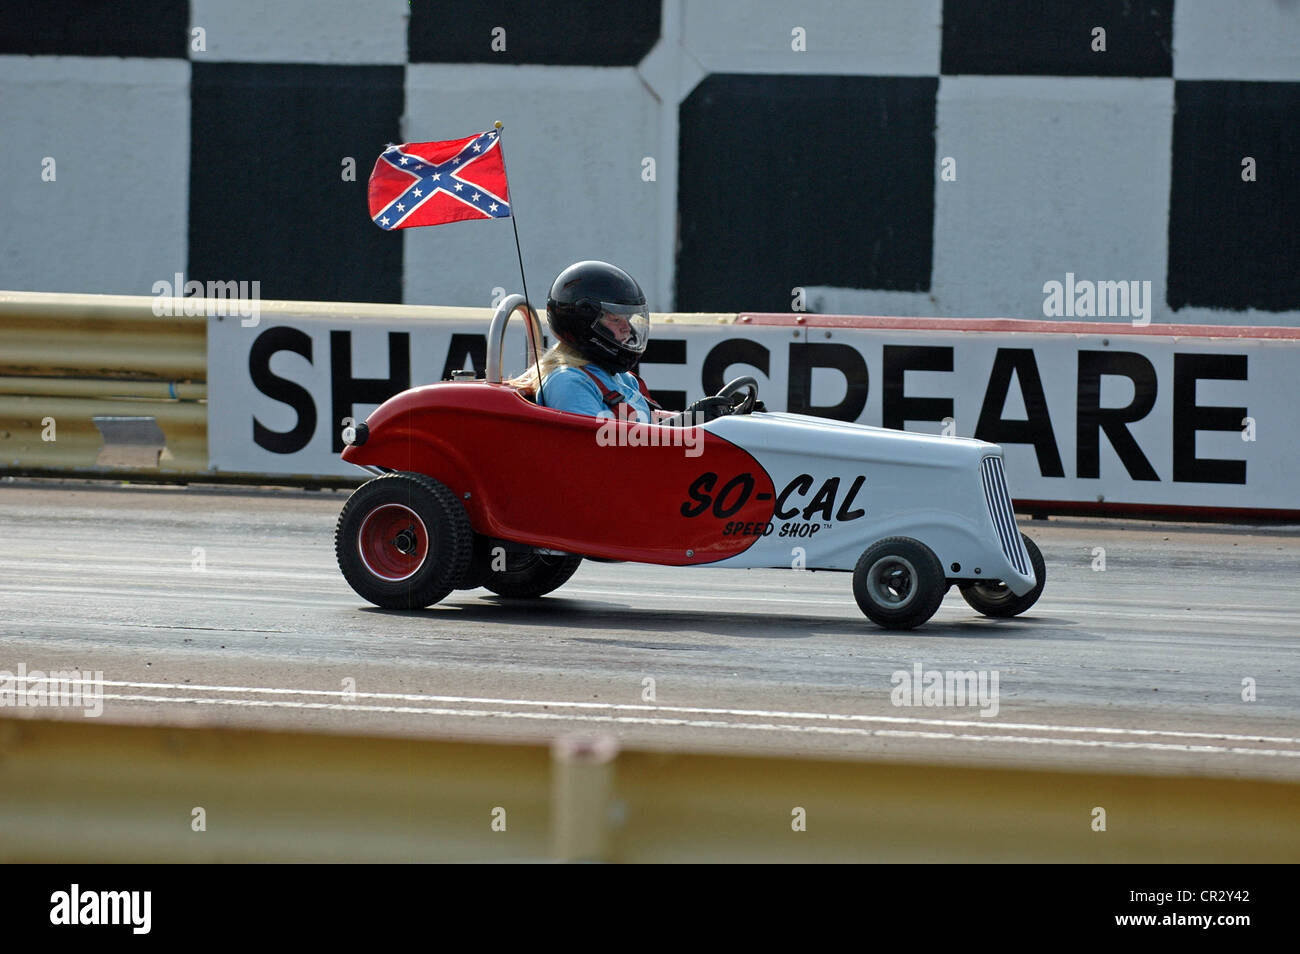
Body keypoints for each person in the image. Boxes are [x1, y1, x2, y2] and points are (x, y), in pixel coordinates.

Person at [511, 260, 733, 425]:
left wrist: (717, 419)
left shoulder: (623, 379)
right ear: (584, 323)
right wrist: (685, 423)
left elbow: (647, 427)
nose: (627, 328)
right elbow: (597, 451)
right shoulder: (568, 382)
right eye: (616, 319)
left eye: (627, 319)